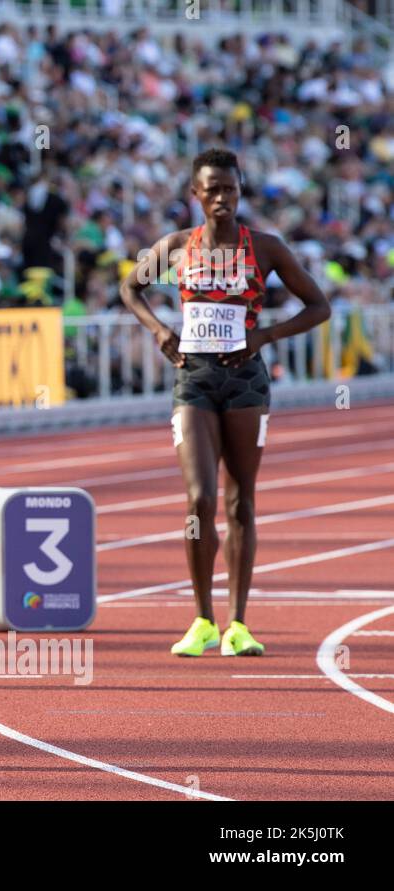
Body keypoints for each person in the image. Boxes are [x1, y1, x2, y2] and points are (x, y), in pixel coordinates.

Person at [120, 148, 330, 658]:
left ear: (240, 192)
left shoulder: (266, 248)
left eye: (229, 189)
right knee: (199, 499)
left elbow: (319, 306)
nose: (221, 197)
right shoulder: (175, 247)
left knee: (241, 502)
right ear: (195, 194)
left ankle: (238, 623)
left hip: (246, 384)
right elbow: (130, 287)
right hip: (194, 379)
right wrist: (159, 330)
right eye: (211, 189)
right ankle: (202, 619)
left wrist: (263, 337)